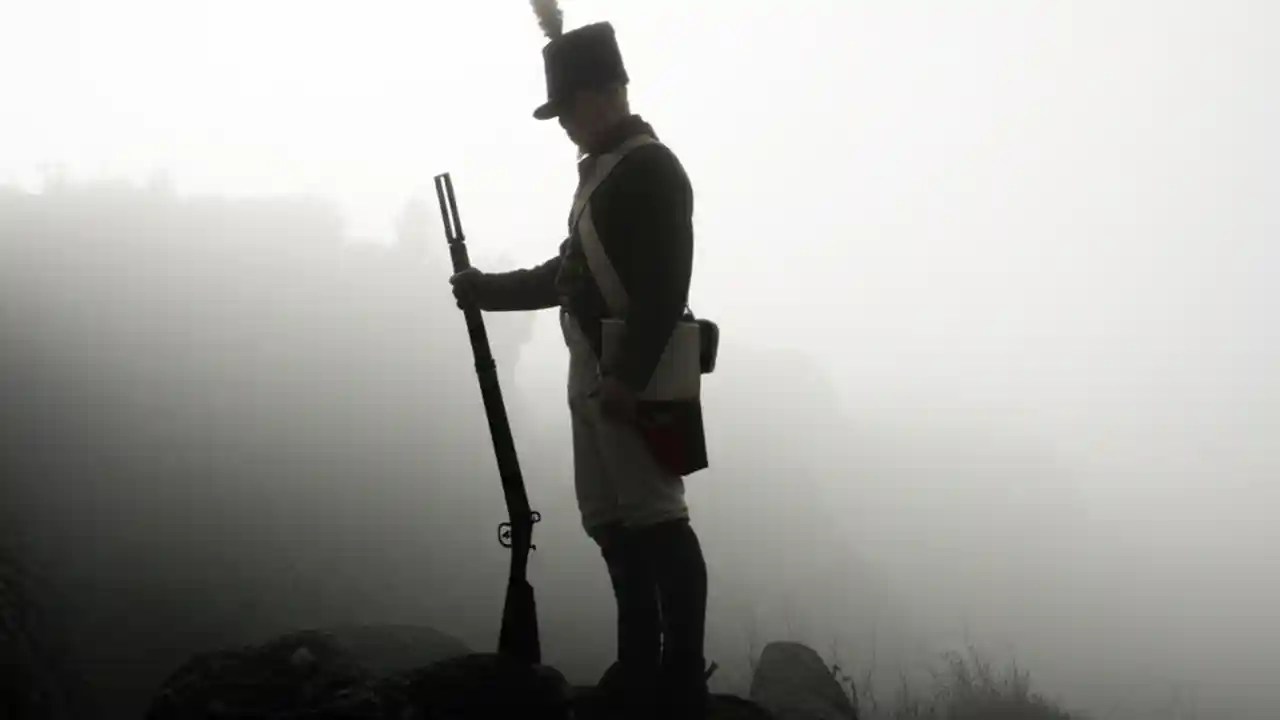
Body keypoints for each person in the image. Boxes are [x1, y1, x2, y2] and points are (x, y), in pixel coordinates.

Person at [449, 20, 709, 719]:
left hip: (631, 372)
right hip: (593, 366)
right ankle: (638, 663)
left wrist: (627, 378)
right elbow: (567, 276)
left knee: (658, 519)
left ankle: (682, 677)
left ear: (602, 94)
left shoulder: (652, 170)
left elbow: (665, 288)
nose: (563, 122)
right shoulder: (602, 175)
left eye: (568, 106)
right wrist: (485, 289)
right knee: (610, 519)